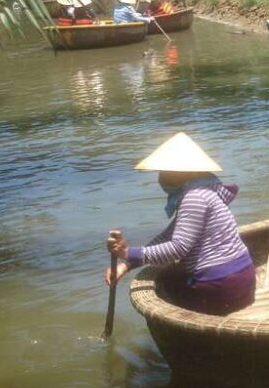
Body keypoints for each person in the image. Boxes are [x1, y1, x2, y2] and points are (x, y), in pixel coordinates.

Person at [104, 132, 255, 315]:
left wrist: (128, 252)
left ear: (178, 173)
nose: (160, 178)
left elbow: (178, 248)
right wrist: (126, 263)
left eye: (164, 172)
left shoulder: (194, 197)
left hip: (220, 285)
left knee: (166, 285)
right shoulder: (206, 190)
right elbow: (167, 236)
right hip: (244, 281)